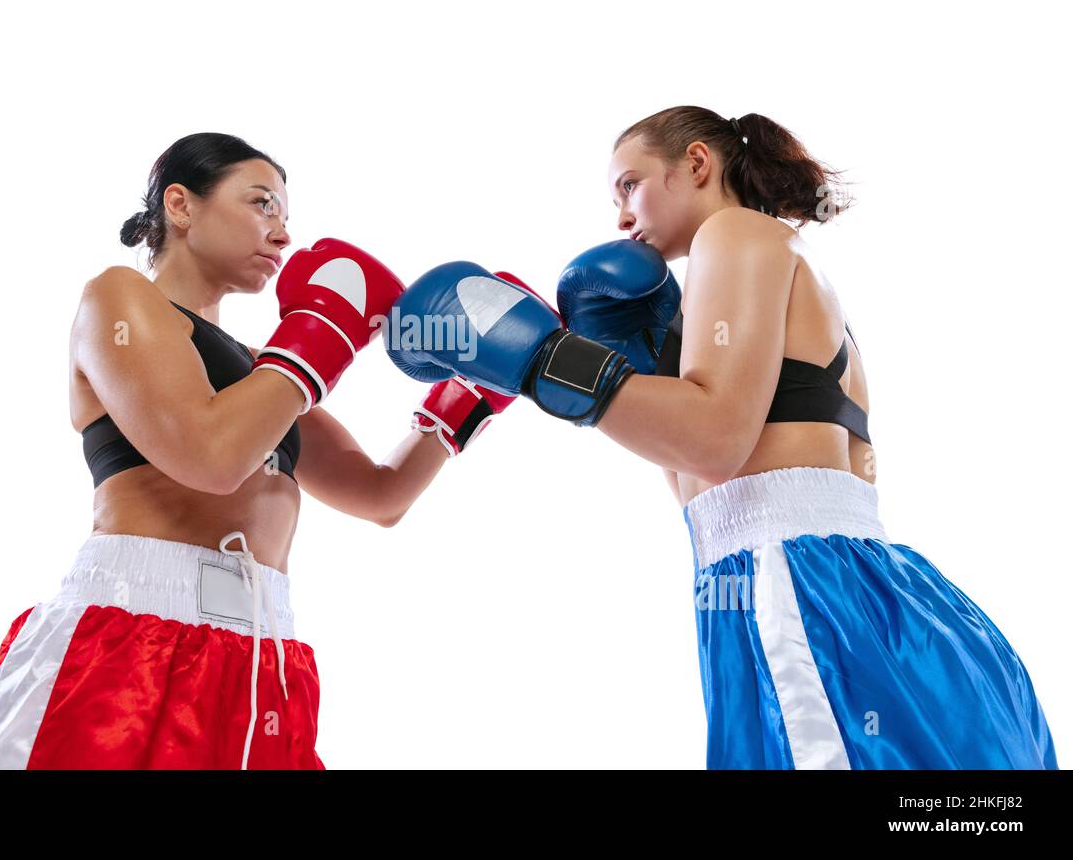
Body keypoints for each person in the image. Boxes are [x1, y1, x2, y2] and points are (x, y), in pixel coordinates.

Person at [385, 107, 1059, 769]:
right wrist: (637, 367)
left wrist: (540, 358)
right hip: (836, 586)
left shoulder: (734, 234)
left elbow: (715, 443)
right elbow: (703, 485)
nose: (620, 215)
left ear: (697, 163)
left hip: (796, 589)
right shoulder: (768, 265)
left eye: (629, 184)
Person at [0, 132, 515, 770]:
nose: (281, 234)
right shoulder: (121, 299)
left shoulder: (259, 371)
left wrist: (473, 390)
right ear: (181, 205)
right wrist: (320, 335)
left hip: (261, 652)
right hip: (134, 627)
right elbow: (211, 458)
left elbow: (381, 494)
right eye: (262, 204)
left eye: (285, 217)